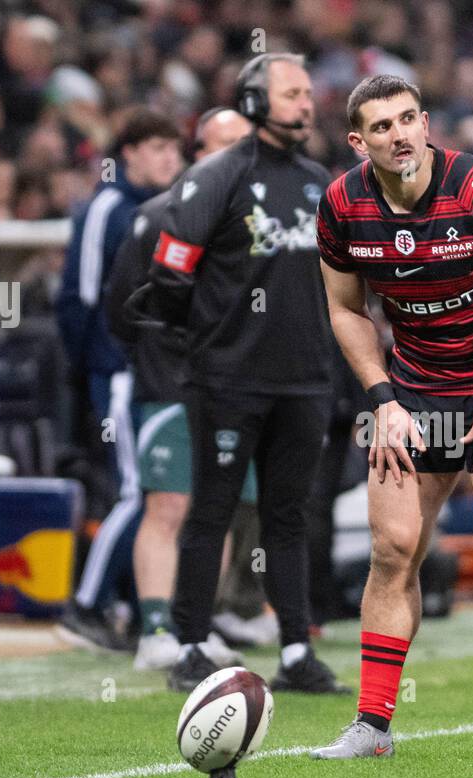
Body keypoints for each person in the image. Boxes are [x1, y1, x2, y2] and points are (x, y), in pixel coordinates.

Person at [311, 74, 473, 761]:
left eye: (409, 118)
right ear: (360, 141)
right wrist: (382, 399)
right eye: (382, 126)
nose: (400, 135)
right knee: (391, 549)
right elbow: (344, 308)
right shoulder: (340, 205)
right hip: (414, 393)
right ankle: (372, 725)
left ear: (427, 123)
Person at [129, 53, 345, 694]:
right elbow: (168, 274)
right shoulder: (217, 175)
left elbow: (346, 276)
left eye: (308, 94)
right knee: (212, 512)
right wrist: (206, 344)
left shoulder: (317, 180)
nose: (305, 104)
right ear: (254, 100)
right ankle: (191, 643)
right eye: (291, 94)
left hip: (304, 378)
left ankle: (297, 650)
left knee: (289, 518)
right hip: (228, 380)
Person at [105, 106, 255, 672]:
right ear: (200, 153)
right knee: (167, 504)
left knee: (214, 509)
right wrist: (162, 359)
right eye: (226, 145)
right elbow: (121, 309)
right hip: (169, 383)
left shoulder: (257, 224)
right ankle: (155, 628)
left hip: (232, 387)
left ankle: (195, 625)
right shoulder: (156, 215)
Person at [54, 109, 183, 650]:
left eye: (174, 150)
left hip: (146, 371)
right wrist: (94, 371)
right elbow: (80, 298)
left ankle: (133, 605)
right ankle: (84, 605)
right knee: (138, 492)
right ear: (128, 151)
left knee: (150, 491)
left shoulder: (159, 209)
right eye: (157, 148)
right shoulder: (108, 207)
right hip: (119, 372)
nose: (170, 160)